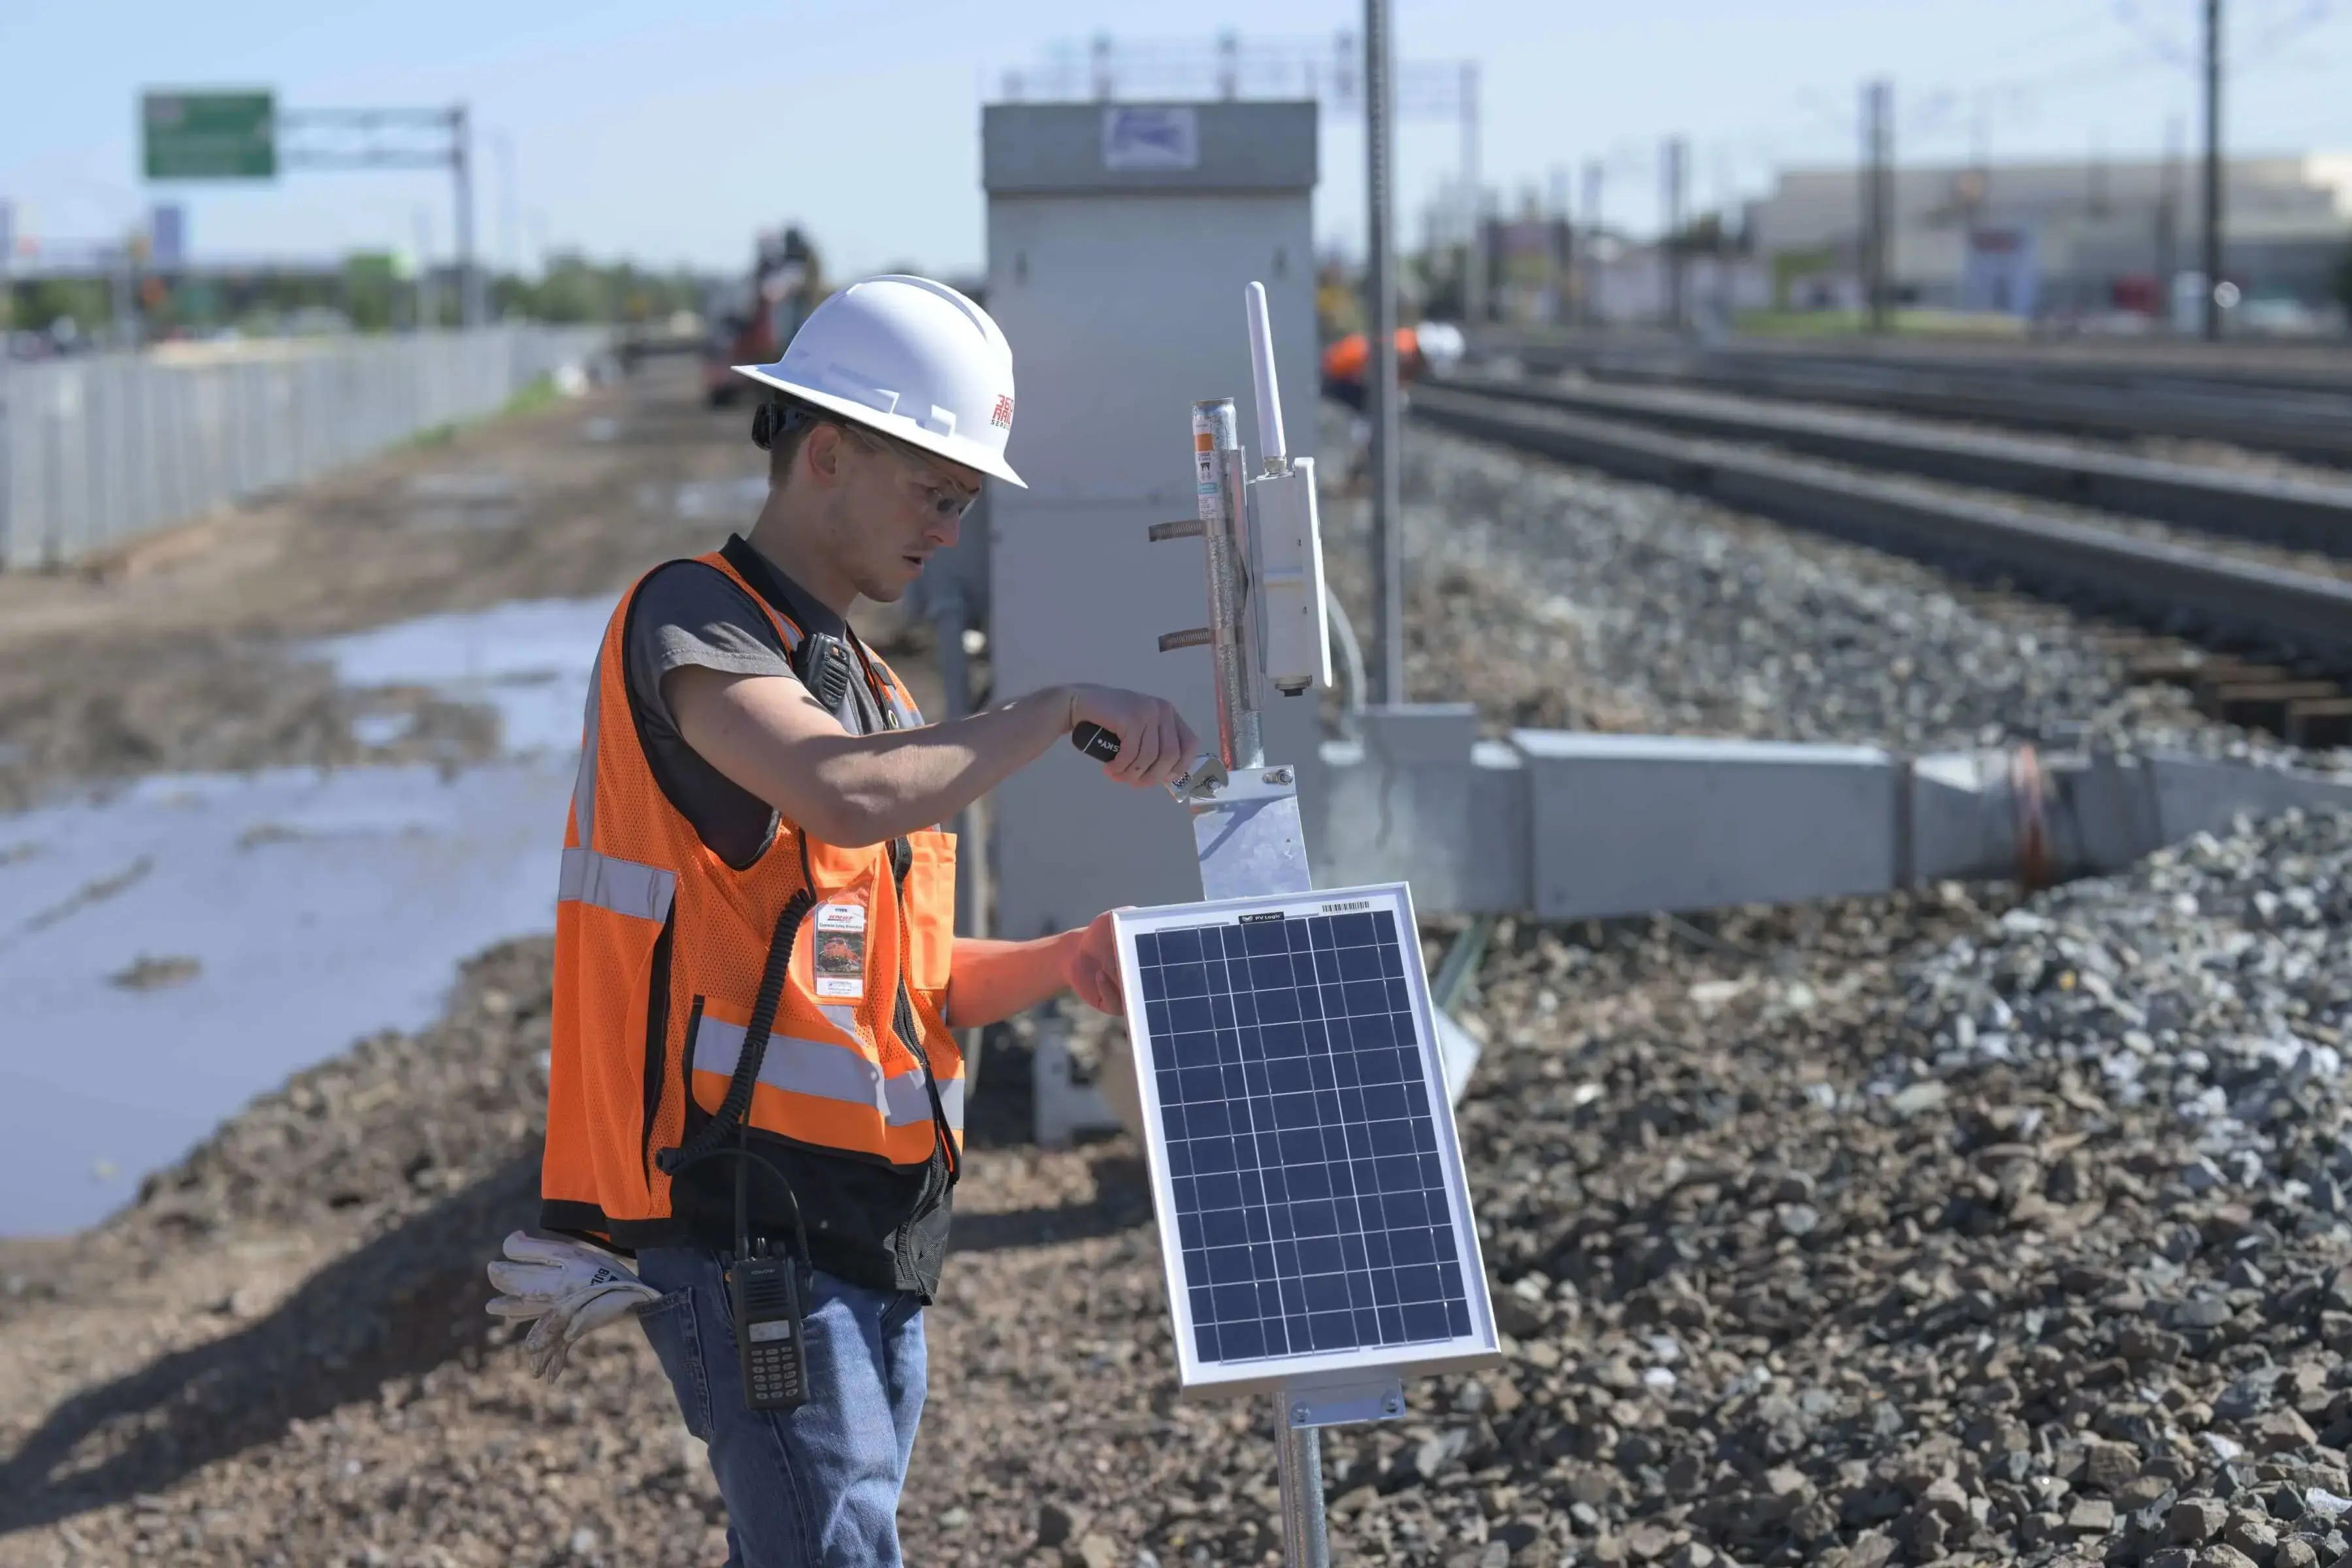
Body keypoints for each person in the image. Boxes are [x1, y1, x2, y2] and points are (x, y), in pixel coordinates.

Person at [485, 274, 1200, 1567]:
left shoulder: (864, 687)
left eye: (964, 502)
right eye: (937, 492)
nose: (950, 528)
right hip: (741, 1220)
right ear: (828, 453)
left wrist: (1062, 960)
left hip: (866, 1234)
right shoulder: (693, 622)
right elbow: (840, 798)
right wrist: (1041, 711)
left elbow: (901, 984)